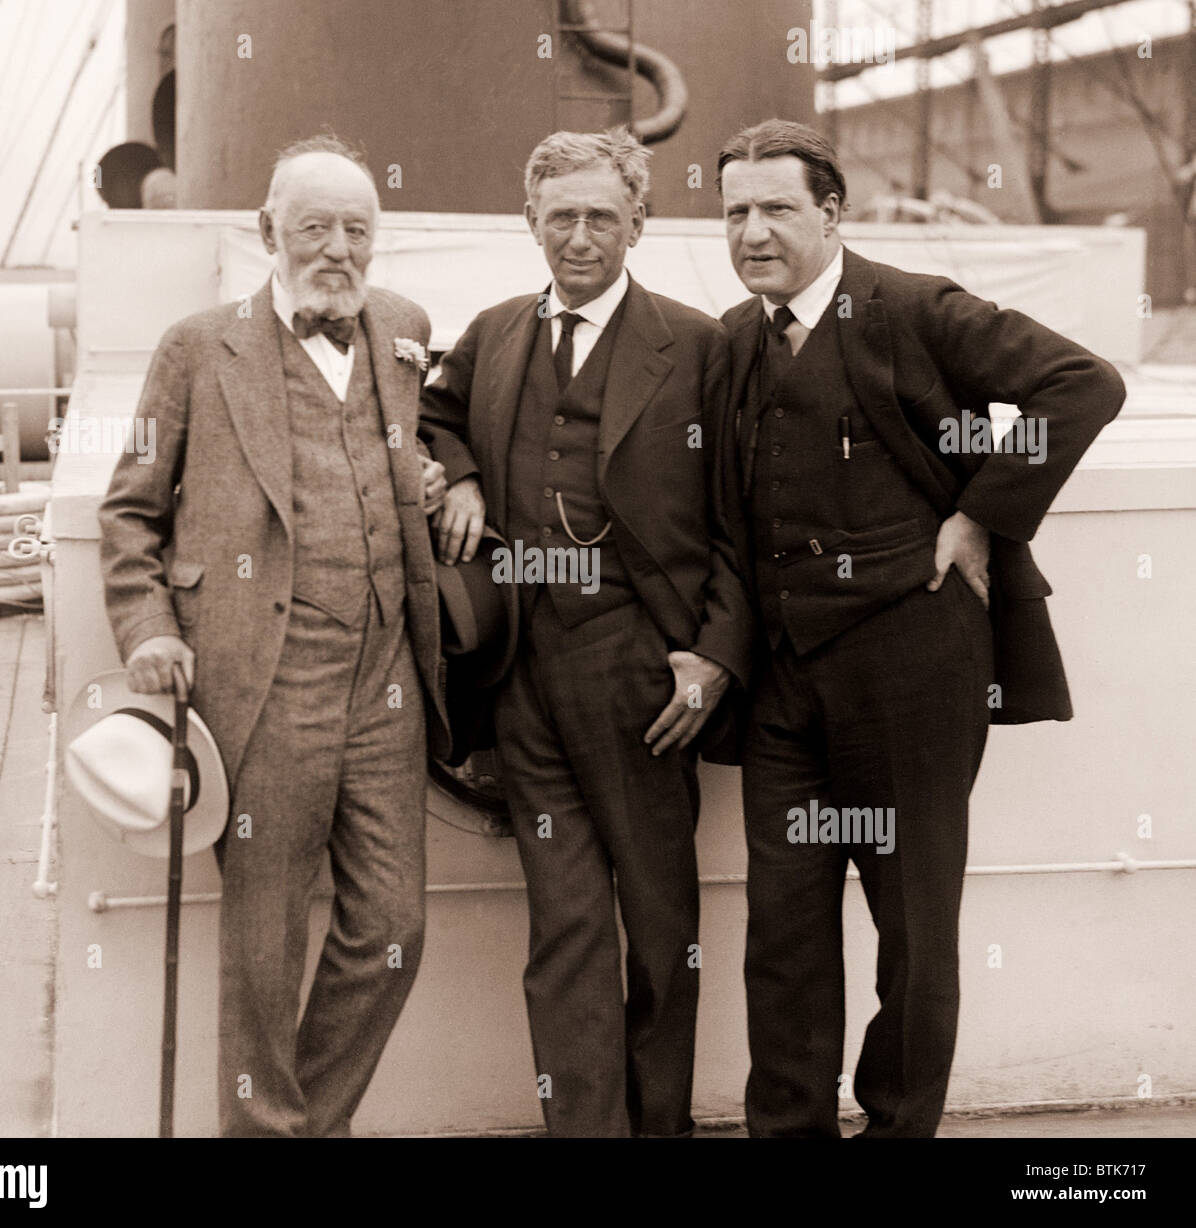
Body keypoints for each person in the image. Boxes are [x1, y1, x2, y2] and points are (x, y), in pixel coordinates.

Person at [715, 118, 1126, 1138]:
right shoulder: (734, 339)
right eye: (734, 211)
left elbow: (1083, 384)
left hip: (913, 667)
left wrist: (982, 514)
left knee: (912, 928)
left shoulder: (913, 307)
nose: (753, 230)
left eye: (775, 207)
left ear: (831, 212)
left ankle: (897, 1126)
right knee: (783, 931)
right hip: (781, 682)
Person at [98, 135, 449, 1137]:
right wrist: (146, 629)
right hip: (264, 680)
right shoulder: (196, 348)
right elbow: (129, 511)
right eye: (314, 228)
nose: (338, 249)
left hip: (386, 684)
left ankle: (304, 1125)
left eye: (357, 229)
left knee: (391, 930)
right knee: (262, 950)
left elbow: (435, 435)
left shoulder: (406, 329)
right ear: (267, 234)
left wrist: (438, 477)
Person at [420, 128, 750, 1137]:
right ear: (529, 221)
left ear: (637, 223)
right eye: (558, 215)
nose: (578, 235)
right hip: (525, 678)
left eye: (600, 215)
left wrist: (717, 655)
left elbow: (749, 516)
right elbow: (429, 413)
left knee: (660, 929)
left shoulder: (700, 345)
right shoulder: (492, 332)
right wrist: (463, 473)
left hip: (644, 677)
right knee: (563, 928)